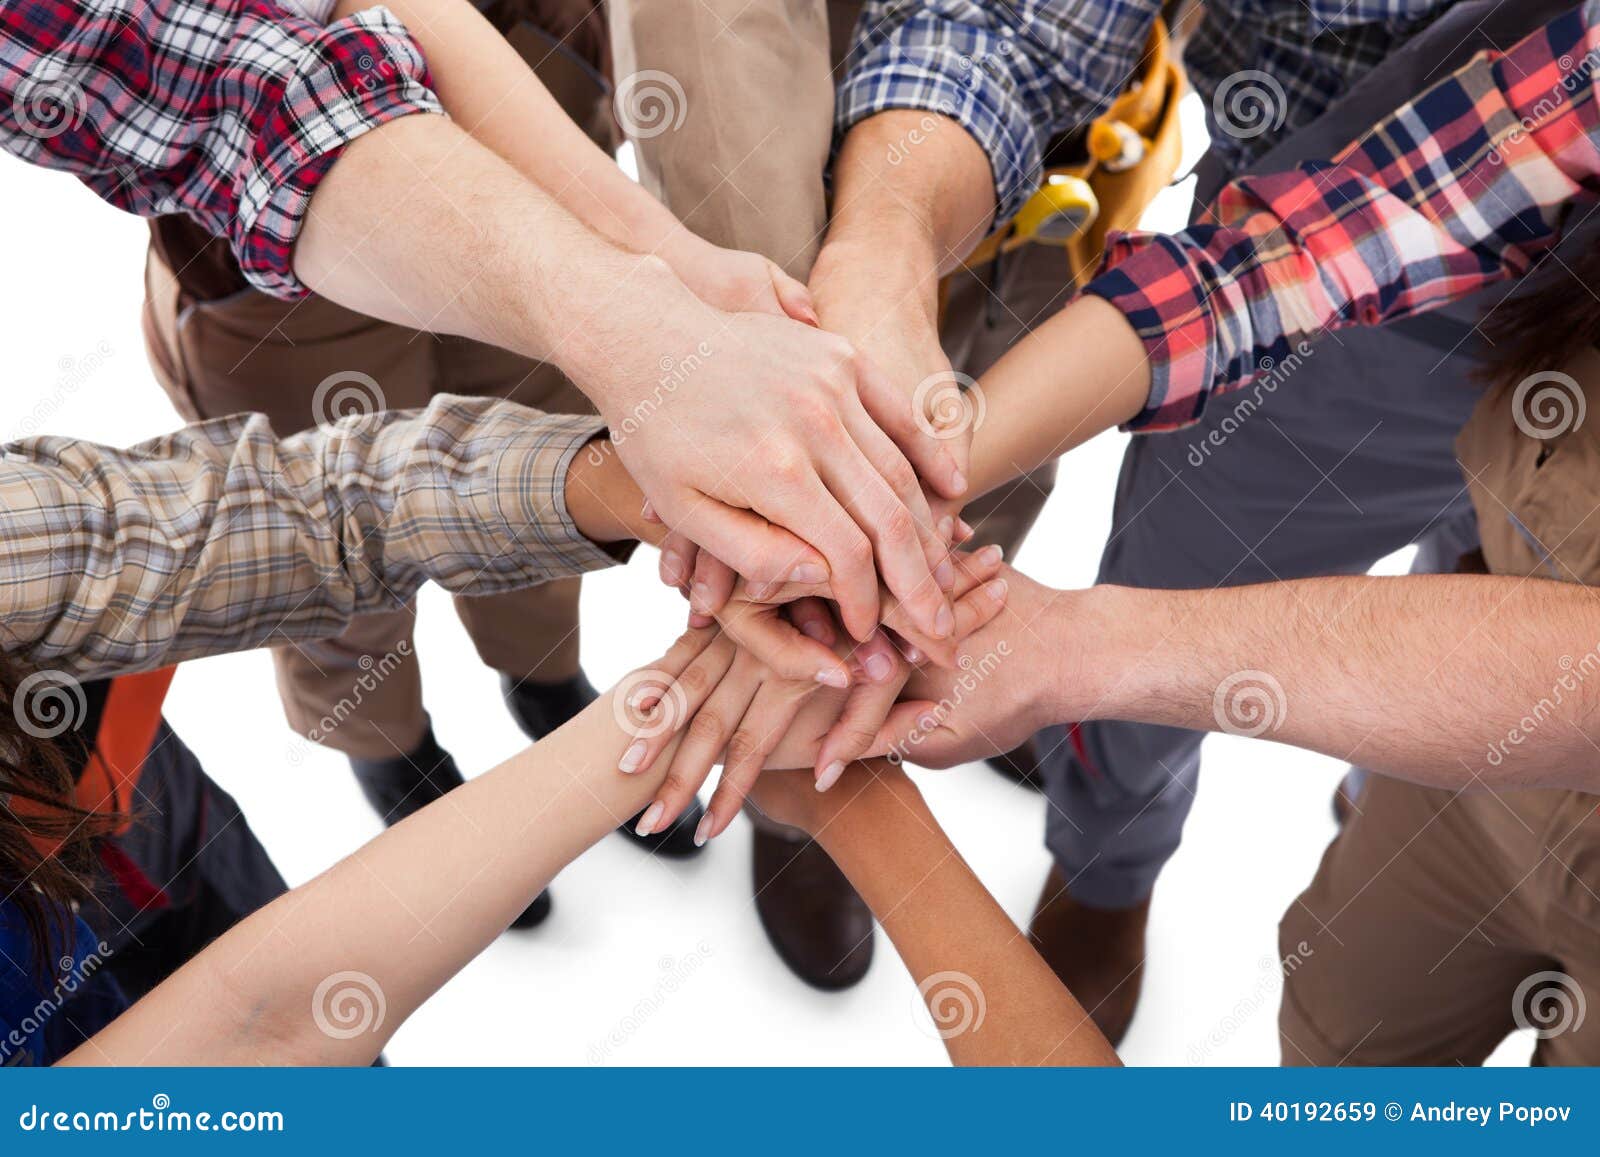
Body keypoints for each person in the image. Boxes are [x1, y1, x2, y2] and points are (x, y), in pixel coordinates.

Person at [699, 0, 1600, 1049]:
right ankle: (1108, 867)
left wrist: (1075, 645)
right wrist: (899, 456)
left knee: (1427, 641)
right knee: (1180, 586)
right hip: (1361, 304)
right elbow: (1302, 253)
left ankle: (1394, 782)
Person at [0, 398, 1010, 1065]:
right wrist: (681, 713)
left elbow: (303, 509)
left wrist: (655, 496)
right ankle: (403, 764)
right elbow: (258, 1029)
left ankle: (529, 706)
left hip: (107, 799)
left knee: (323, 1019)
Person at [135, 0, 710, 878]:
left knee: (553, 462)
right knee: (322, 537)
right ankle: (388, 744)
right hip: (255, 190)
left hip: (529, 64)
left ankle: (544, 678)